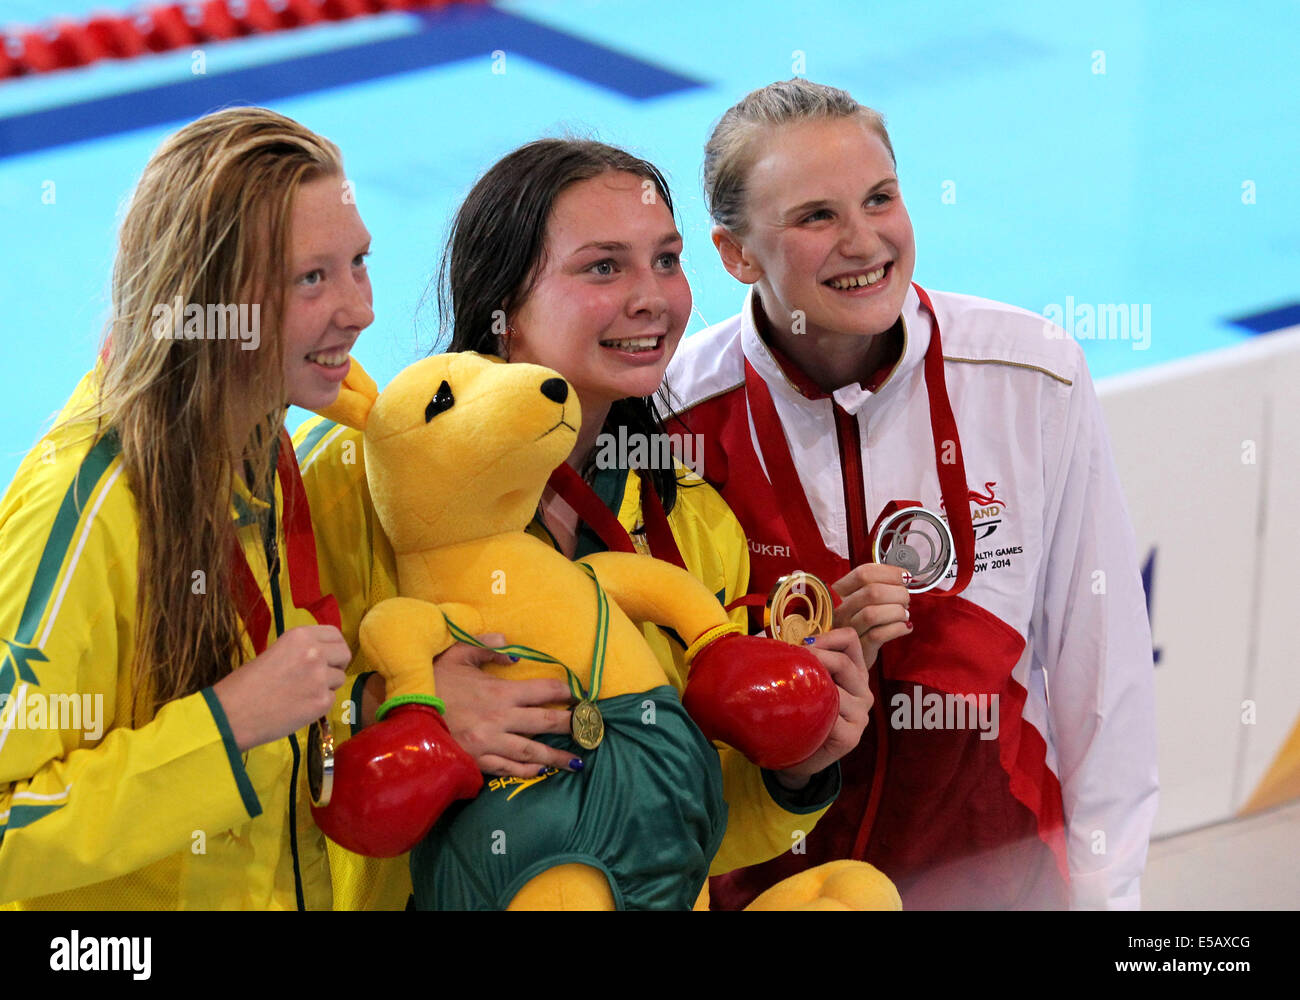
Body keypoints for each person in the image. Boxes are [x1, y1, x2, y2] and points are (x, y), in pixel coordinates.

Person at [295, 138, 883, 908]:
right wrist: (384, 704)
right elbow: (250, 743)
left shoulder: (690, 520)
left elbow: (673, 827)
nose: (653, 298)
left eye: (666, 261)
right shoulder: (354, 481)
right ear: (503, 307)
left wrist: (798, 760)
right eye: (604, 267)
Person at [663, 79, 1159, 910]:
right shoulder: (677, 418)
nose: (865, 241)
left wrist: (1111, 903)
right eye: (817, 217)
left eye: (880, 198)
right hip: (777, 895)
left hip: (1004, 883)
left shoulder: (1028, 376)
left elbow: (1100, 675)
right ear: (736, 254)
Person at [0, 107, 375, 909]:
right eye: (313, 277)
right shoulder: (90, 508)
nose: (359, 309)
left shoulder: (259, 452)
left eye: (358, 264)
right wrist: (224, 727)